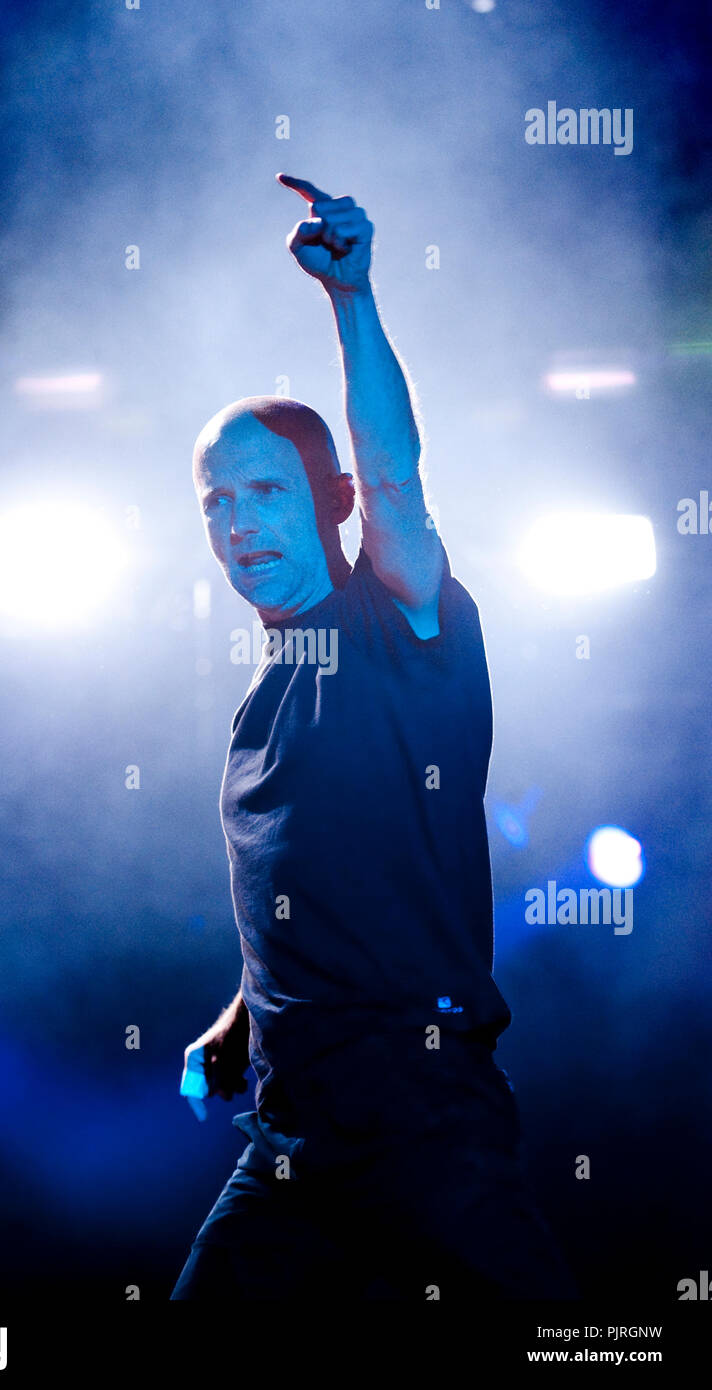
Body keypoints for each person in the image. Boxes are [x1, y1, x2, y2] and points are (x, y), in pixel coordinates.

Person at [170, 174, 578, 1300]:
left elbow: (399, 474)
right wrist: (238, 1022)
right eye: (215, 500)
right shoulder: (263, 694)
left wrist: (351, 297)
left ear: (333, 498)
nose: (238, 521)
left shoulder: (396, 620)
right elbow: (313, 891)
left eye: (261, 490)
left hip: (420, 1120)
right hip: (290, 1141)